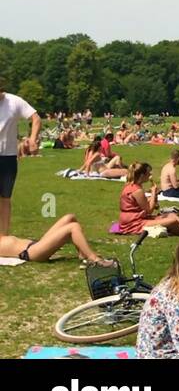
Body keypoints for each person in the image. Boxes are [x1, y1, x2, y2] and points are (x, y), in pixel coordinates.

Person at [120, 163, 179, 237]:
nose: (150, 174)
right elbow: (149, 210)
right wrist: (153, 193)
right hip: (134, 223)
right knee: (172, 220)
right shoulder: (137, 190)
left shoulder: (134, 186)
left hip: (139, 219)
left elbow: (143, 206)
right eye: (148, 173)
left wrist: (153, 198)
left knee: (172, 215)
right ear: (142, 175)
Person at [0, 81, 41, 233]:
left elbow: (36, 119)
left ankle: (3, 237)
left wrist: (32, 138)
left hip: (8, 157)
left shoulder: (14, 102)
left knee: (5, 198)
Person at [0, 214, 114, 266]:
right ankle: (94, 259)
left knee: (69, 217)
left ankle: (82, 254)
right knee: (73, 227)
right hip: (31, 253)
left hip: (36, 244)